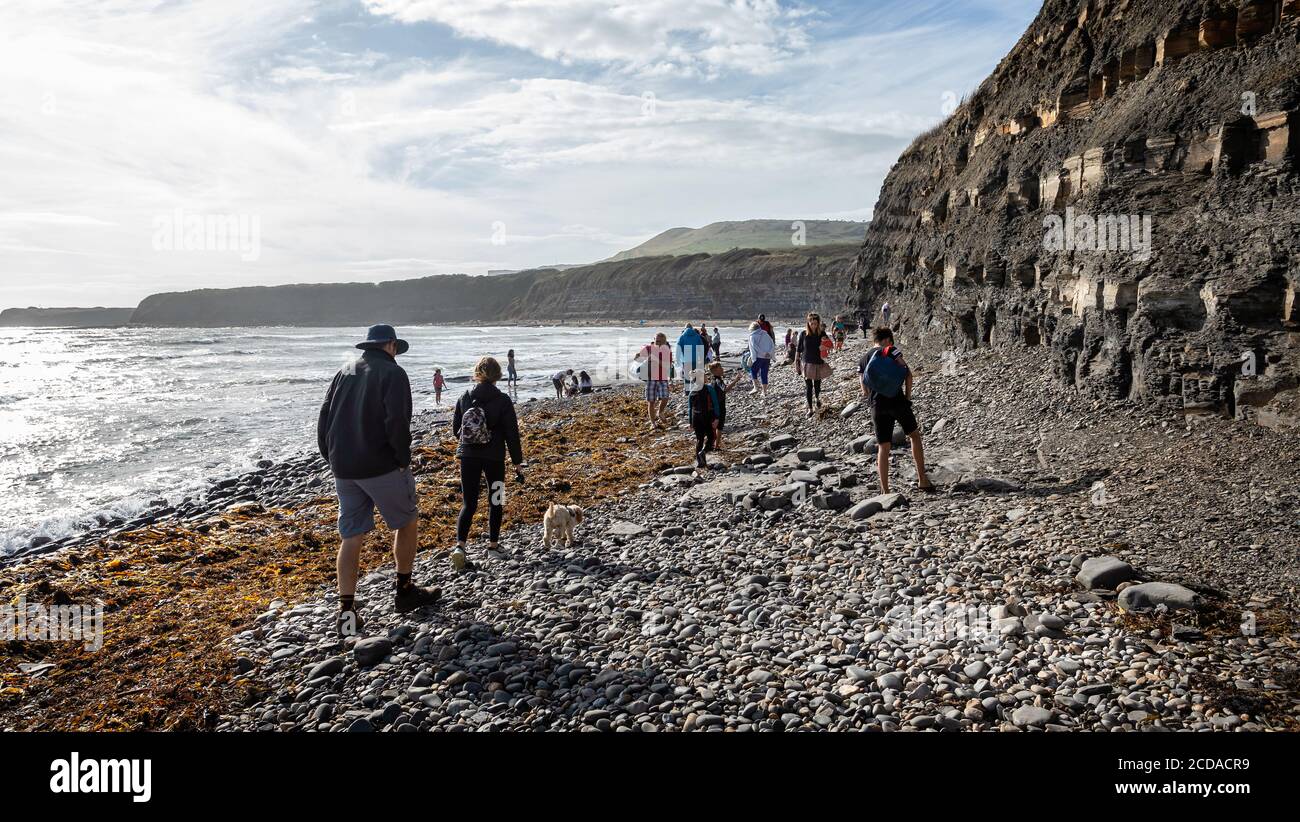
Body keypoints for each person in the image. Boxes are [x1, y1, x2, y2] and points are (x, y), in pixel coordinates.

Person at [317, 324, 440, 637]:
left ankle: (347, 612)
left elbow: (325, 415)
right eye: (396, 347)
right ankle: (404, 589)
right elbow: (397, 421)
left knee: (351, 535)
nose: (396, 352)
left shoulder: (345, 370)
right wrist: (402, 460)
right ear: (390, 345)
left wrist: (329, 455)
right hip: (381, 464)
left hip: (344, 466)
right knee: (407, 520)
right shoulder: (393, 374)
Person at [451, 356, 525, 571]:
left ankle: (460, 547)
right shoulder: (502, 400)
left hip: (467, 456)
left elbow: (457, 429)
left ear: (477, 372)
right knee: (496, 500)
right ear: (498, 375)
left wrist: (472, 441)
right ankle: (493, 545)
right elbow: (512, 434)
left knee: (469, 503)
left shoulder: (465, 396)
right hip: (495, 458)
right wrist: (518, 462)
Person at [860, 327, 933, 494]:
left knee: (883, 447)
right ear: (887, 340)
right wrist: (907, 396)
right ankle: (922, 480)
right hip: (897, 401)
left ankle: (885, 491)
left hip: (877, 406)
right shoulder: (891, 350)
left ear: (874, 340)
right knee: (914, 436)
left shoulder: (864, 359)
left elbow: (864, 389)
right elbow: (908, 374)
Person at [690, 362, 744, 468]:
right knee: (715, 431)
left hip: (697, 416)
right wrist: (736, 380)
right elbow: (724, 391)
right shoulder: (716, 382)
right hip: (715, 409)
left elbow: (690, 407)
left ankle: (700, 460)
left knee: (700, 438)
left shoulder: (694, 390)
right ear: (715, 371)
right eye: (721, 368)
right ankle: (713, 447)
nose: (723, 369)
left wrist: (690, 422)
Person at [795, 312, 833, 415]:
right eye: (811, 323)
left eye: (815, 323)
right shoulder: (803, 334)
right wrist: (796, 361)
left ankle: (817, 397)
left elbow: (830, 345)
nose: (813, 325)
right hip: (806, 362)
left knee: (817, 385)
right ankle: (810, 409)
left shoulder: (822, 334)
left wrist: (824, 347)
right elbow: (798, 349)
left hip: (818, 362)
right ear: (808, 323)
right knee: (808, 386)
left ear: (818, 323)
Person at [634, 332, 673, 429]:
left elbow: (668, 366)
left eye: (660, 341)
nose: (658, 342)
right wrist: (638, 356)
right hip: (650, 378)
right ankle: (653, 423)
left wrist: (656, 360)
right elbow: (637, 359)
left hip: (662, 378)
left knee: (665, 397)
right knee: (651, 401)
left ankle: (660, 412)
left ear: (665, 342)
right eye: (656, 340)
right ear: (654, 339)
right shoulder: (648, 348)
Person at [676, 324, 706, 419]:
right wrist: (702, 359)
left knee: (687, 375)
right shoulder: (697, 336)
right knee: (696, 375)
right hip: (695, 358)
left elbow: (678, 348)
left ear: (685, 328)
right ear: (692, 328)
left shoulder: (682, 336)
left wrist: (678, 360)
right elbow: (701, 347)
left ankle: (687, 391)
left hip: (686, 358)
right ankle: (696, 389)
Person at [747, 320, 775, 397]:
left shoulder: (752, 336)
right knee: (764, 373)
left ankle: (755, 387)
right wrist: (769, 353)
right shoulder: (766, 334)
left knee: (753, 370)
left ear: (751, 329)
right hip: (767, 357)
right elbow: (772, 344)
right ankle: (764, 392)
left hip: (758, 357)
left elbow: (754, 347)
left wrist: (762, 354)